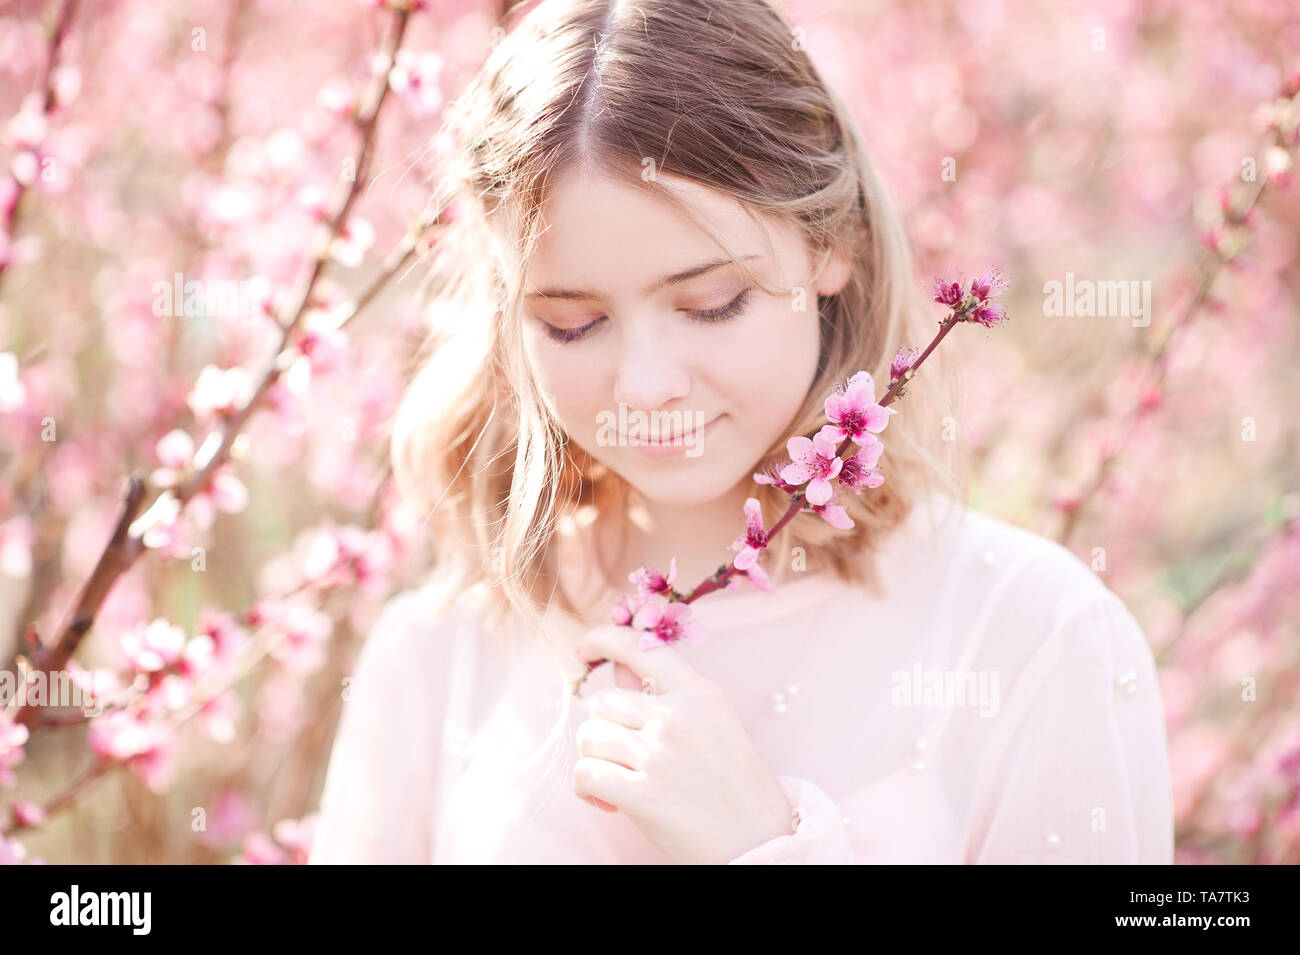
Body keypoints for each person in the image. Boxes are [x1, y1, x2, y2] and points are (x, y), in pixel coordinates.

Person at [308, 0, 1174, 864]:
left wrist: (760, 846)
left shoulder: (1032, 635)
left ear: (832, 243)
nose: (645, 385)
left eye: (712, 304)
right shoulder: (438, 655)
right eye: (573, 323)